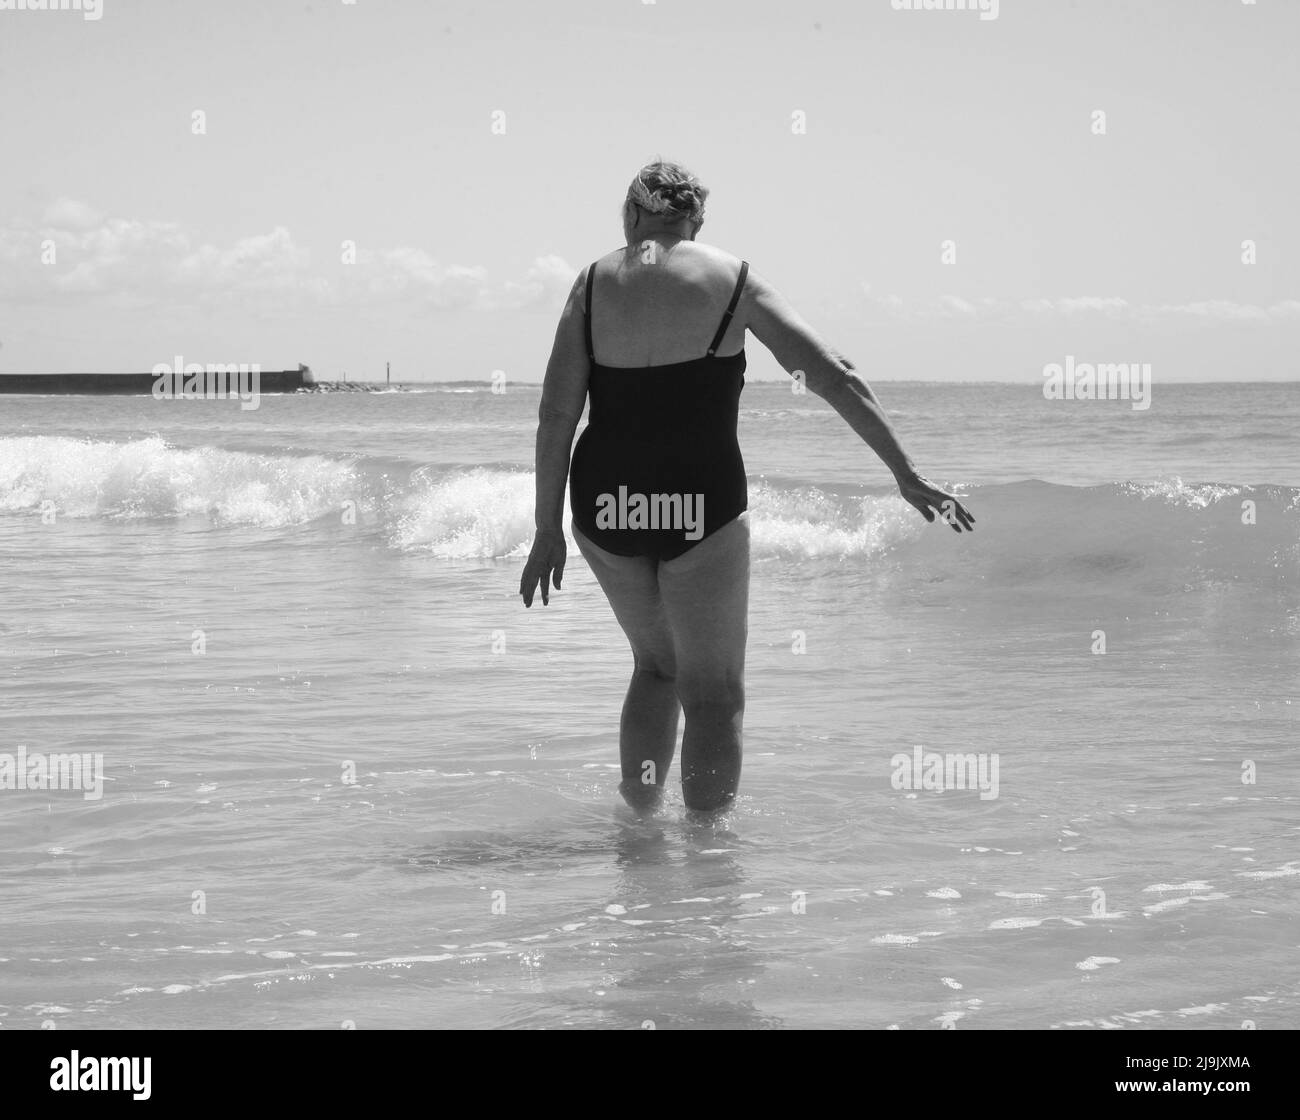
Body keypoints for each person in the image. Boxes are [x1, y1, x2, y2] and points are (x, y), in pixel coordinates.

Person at [520, 160, 974, 815]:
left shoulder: (593, 283)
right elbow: (831, 374)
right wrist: (905, 473)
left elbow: (556, 412)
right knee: (712, 694)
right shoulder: (730, 278)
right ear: (695, 219)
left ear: (632, 213)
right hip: (699, 498)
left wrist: (545, 529)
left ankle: (638, 831)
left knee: (655, 667)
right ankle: (707, 863)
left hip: (607, 502)